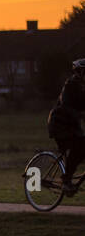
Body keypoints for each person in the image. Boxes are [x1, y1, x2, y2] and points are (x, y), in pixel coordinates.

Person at [47, 58, 85, 191]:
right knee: (78, 148)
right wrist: (80, 115)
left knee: (81, 148)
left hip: (72, 126)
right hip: (59, 125)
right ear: (79, 72)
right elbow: (66, 106)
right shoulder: (70, 85)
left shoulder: (82, 87)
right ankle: (66, 180)